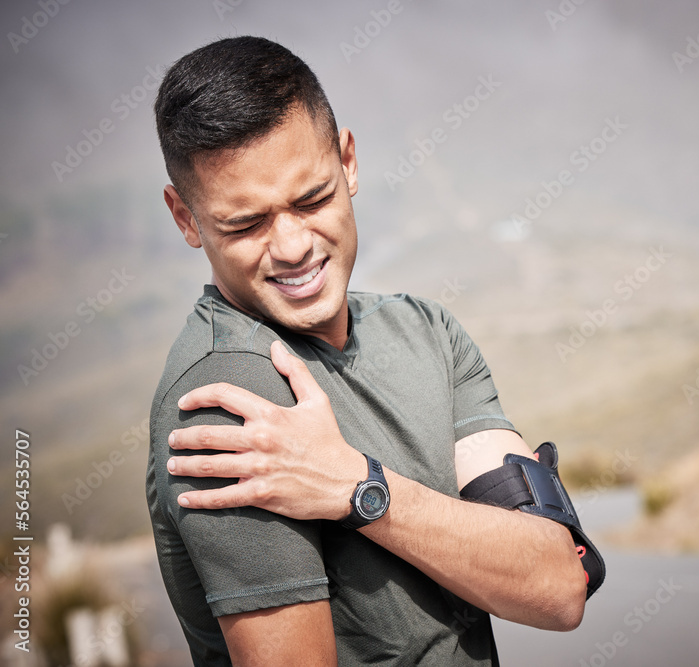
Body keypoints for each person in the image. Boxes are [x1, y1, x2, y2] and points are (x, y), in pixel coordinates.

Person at [146, 35, 602, 667]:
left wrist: (359, 488)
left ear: (349, 162)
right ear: (187, 219)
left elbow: (557, 587)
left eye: (312, 199)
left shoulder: (426, 331)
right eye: (246, 224)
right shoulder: (229, 400)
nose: (292, 247)